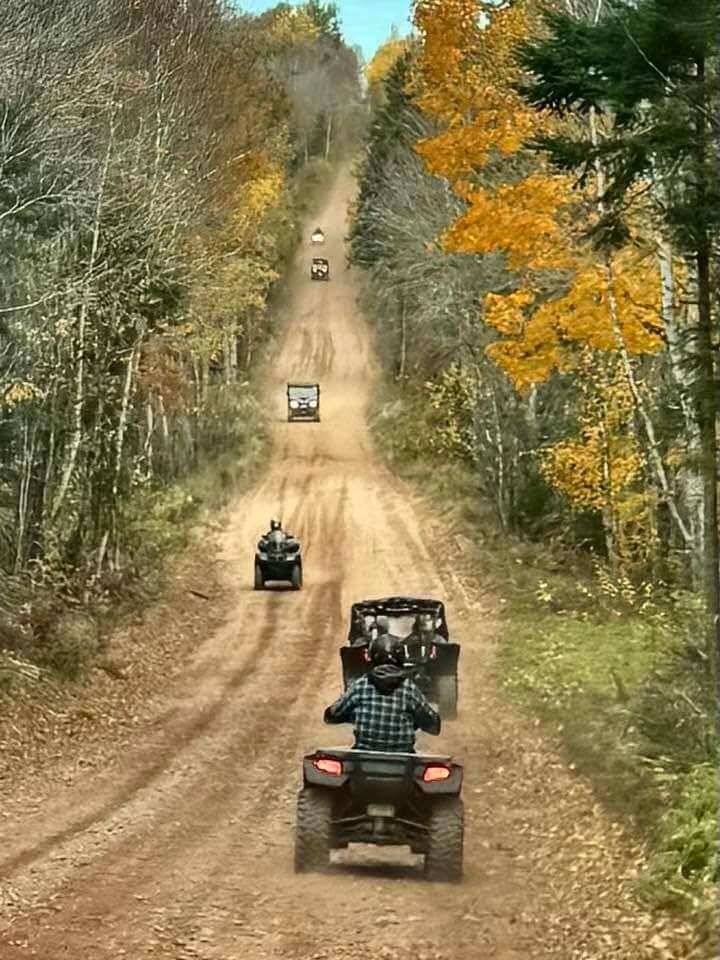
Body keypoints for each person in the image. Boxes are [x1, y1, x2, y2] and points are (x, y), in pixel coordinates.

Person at [324, 635, 440, 753]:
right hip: (402, 757)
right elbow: (434, 726)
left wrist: (351, 715)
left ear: (373, 658)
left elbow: (331, 716)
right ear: (401, 658)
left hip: (364, 756)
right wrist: (418, 721)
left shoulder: (361, 685)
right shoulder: (408, 688)